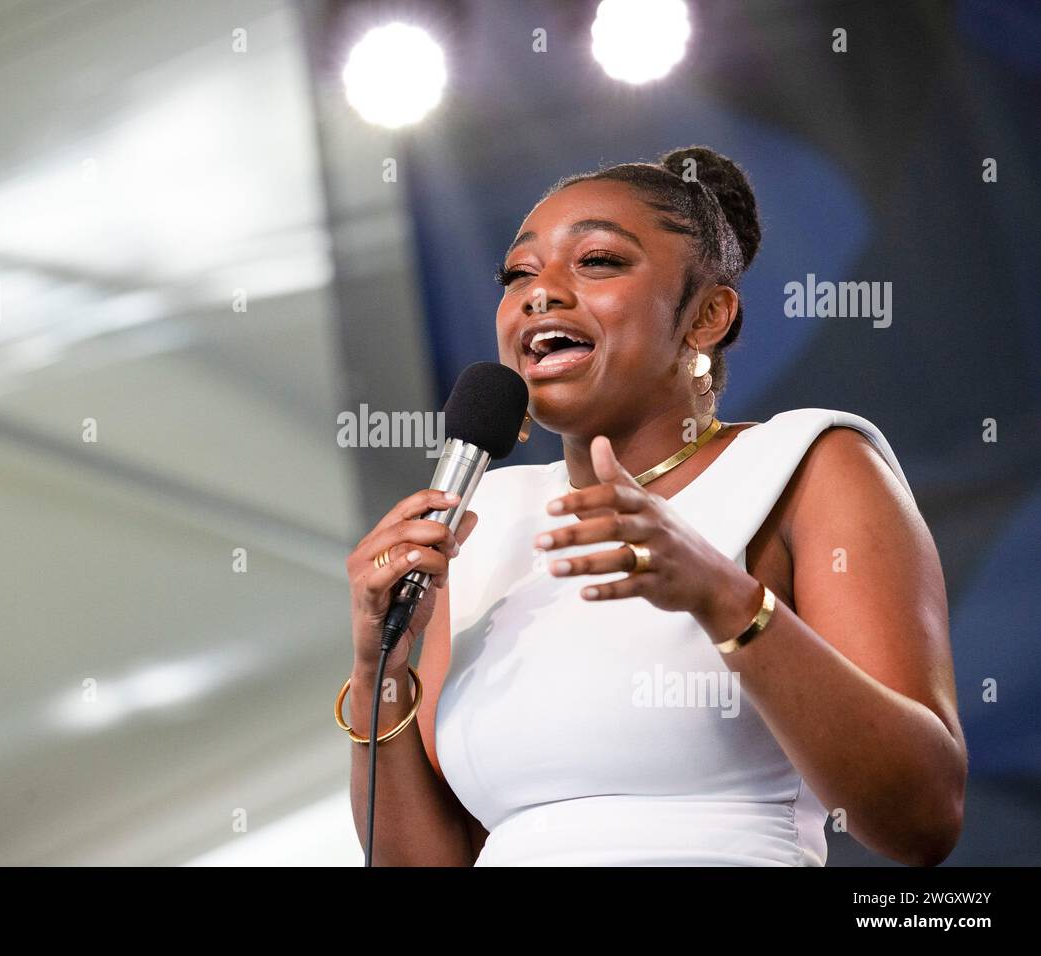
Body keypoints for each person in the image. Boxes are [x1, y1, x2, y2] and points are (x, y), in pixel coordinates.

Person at [339, 146, 966, 866]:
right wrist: (377, 668)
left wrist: (721, 596)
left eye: (598, 261)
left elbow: (923, 817)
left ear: (707, 316)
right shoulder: (483, 522)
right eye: (518, 274)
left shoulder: (807, 462)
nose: (539, 294)